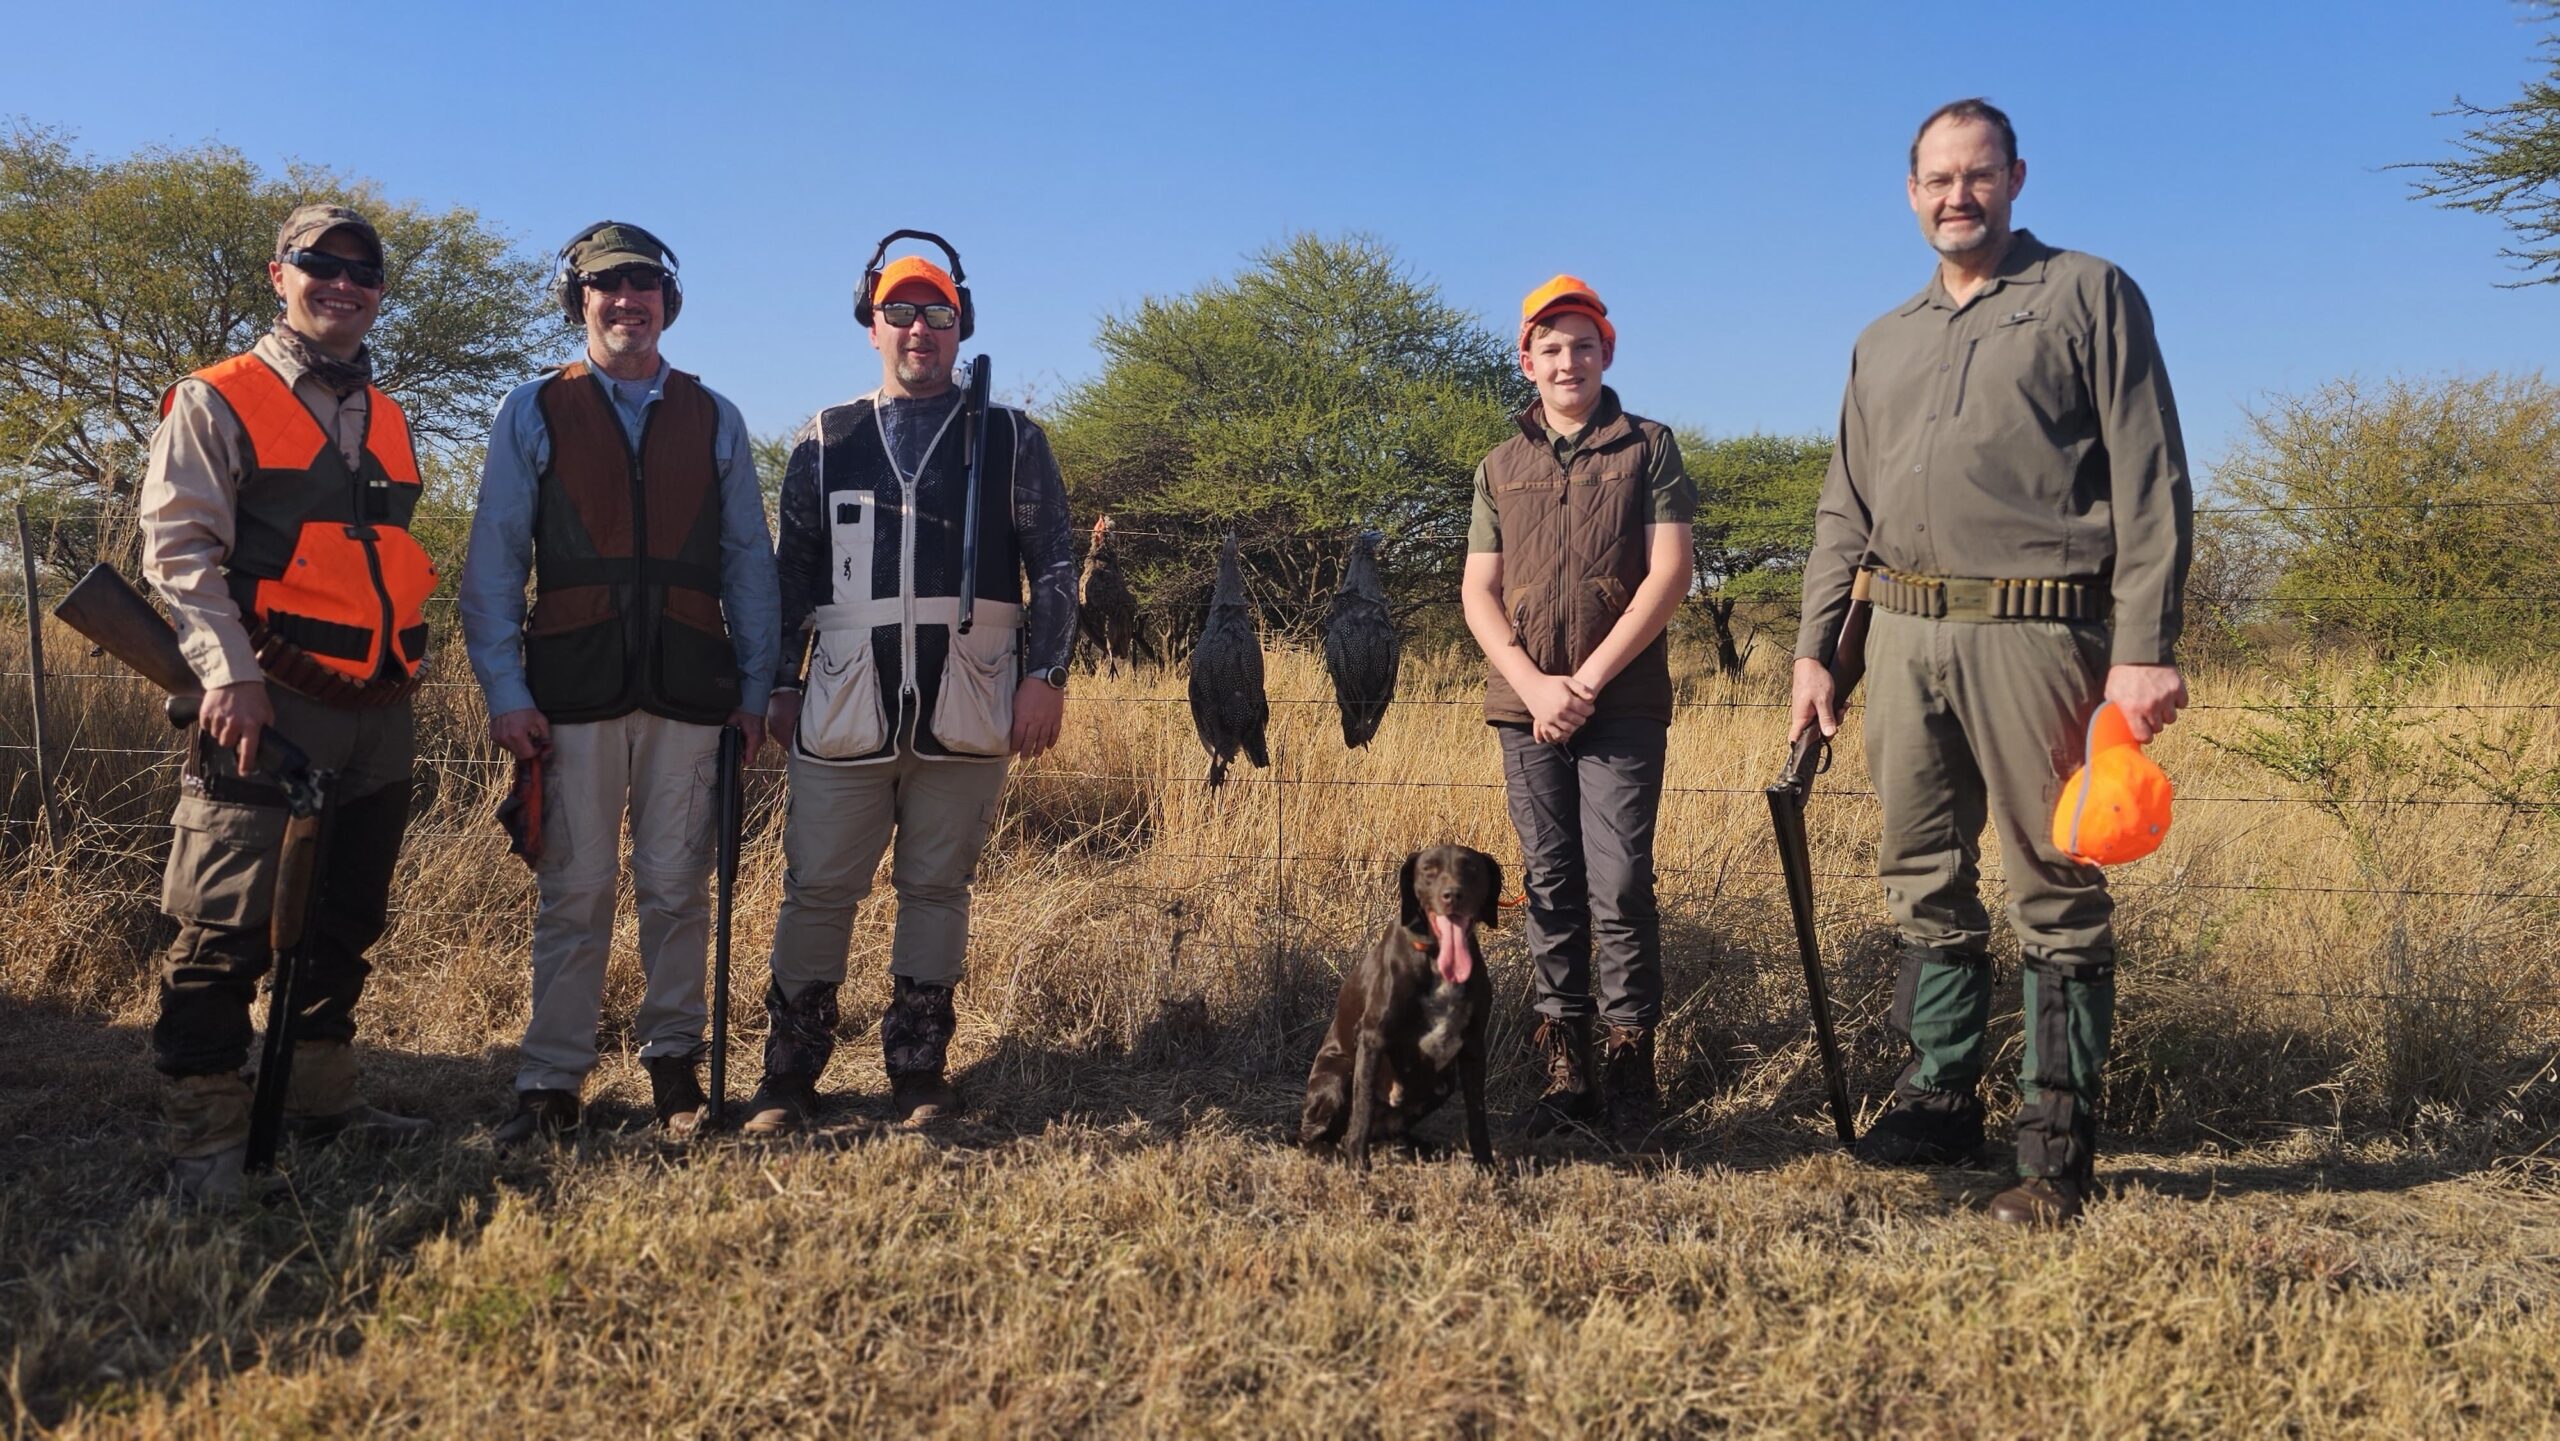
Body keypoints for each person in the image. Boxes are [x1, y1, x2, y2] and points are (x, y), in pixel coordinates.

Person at [1792, 99, 2193, 1225]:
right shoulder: (1882, 338)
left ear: (2016, 177)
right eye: (1935, 179)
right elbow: (1843, 509)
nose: (1955, 196)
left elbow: (2149, 478)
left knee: (2054, 883)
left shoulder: (2087, 294)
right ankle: (1936, 1097)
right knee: (1920, 875)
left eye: (1977, 175)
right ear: (1909, 191)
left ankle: (2053, 1150)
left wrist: (2141, 651)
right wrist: (1817, 652)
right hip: (1903, 635)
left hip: (2041, 633)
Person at [742, 236, 1075, 1132]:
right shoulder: (824, 437)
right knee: (816, 889)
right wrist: (776, 683)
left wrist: (1045, 675)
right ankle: (789, 1078)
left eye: (937, 312)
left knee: (937, 888)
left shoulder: (1012, 437)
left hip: (970, 697)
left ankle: (918, 1072)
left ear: (961, 324)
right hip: (843, 698)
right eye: (900, 310)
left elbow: (1053, 564)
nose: (918, 328)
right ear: (871, 324)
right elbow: (790, 568)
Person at [460, 221, 778, 1144]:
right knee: (576, 887)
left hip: (691, 689)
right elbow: (492, 567)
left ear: (667, 304)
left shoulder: (713, 415)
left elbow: (747, 563)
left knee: (679, 885)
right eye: (607, 286)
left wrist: (755, 689)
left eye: (643, 285)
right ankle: (551, 1078)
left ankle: (674, 1064)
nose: (626, 301)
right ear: (580, 300)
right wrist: (504, 690)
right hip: (570, 687)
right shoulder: (532, 408)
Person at [141, 203, 435, 1203]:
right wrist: (229, 673)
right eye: (319, 263)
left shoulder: (388, 412)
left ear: (379, 291)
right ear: (280, 274)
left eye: (362, 270)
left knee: (344, 922)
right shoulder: (216, 396)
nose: (340, 282)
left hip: (378, 708)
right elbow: (179, 551)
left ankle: (318, 1102)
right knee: (223, 928)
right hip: (268, 703)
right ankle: (206, 1142)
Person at [1459, 275, 1696, 1148]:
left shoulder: (1650, 448)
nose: (1568, 360)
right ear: (1527, 360)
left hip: (1620, 701)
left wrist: (1585, 681)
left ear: (1608, 351)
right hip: (1525, 709)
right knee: (1551, 884)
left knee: (1622, 882)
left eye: (1583, 345)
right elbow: (1477, 591)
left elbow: (1669, 575)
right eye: (1550, 347)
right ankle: (1568, 1069)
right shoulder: (1498, 465)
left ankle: (1634, 1064)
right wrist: (1533, 685)